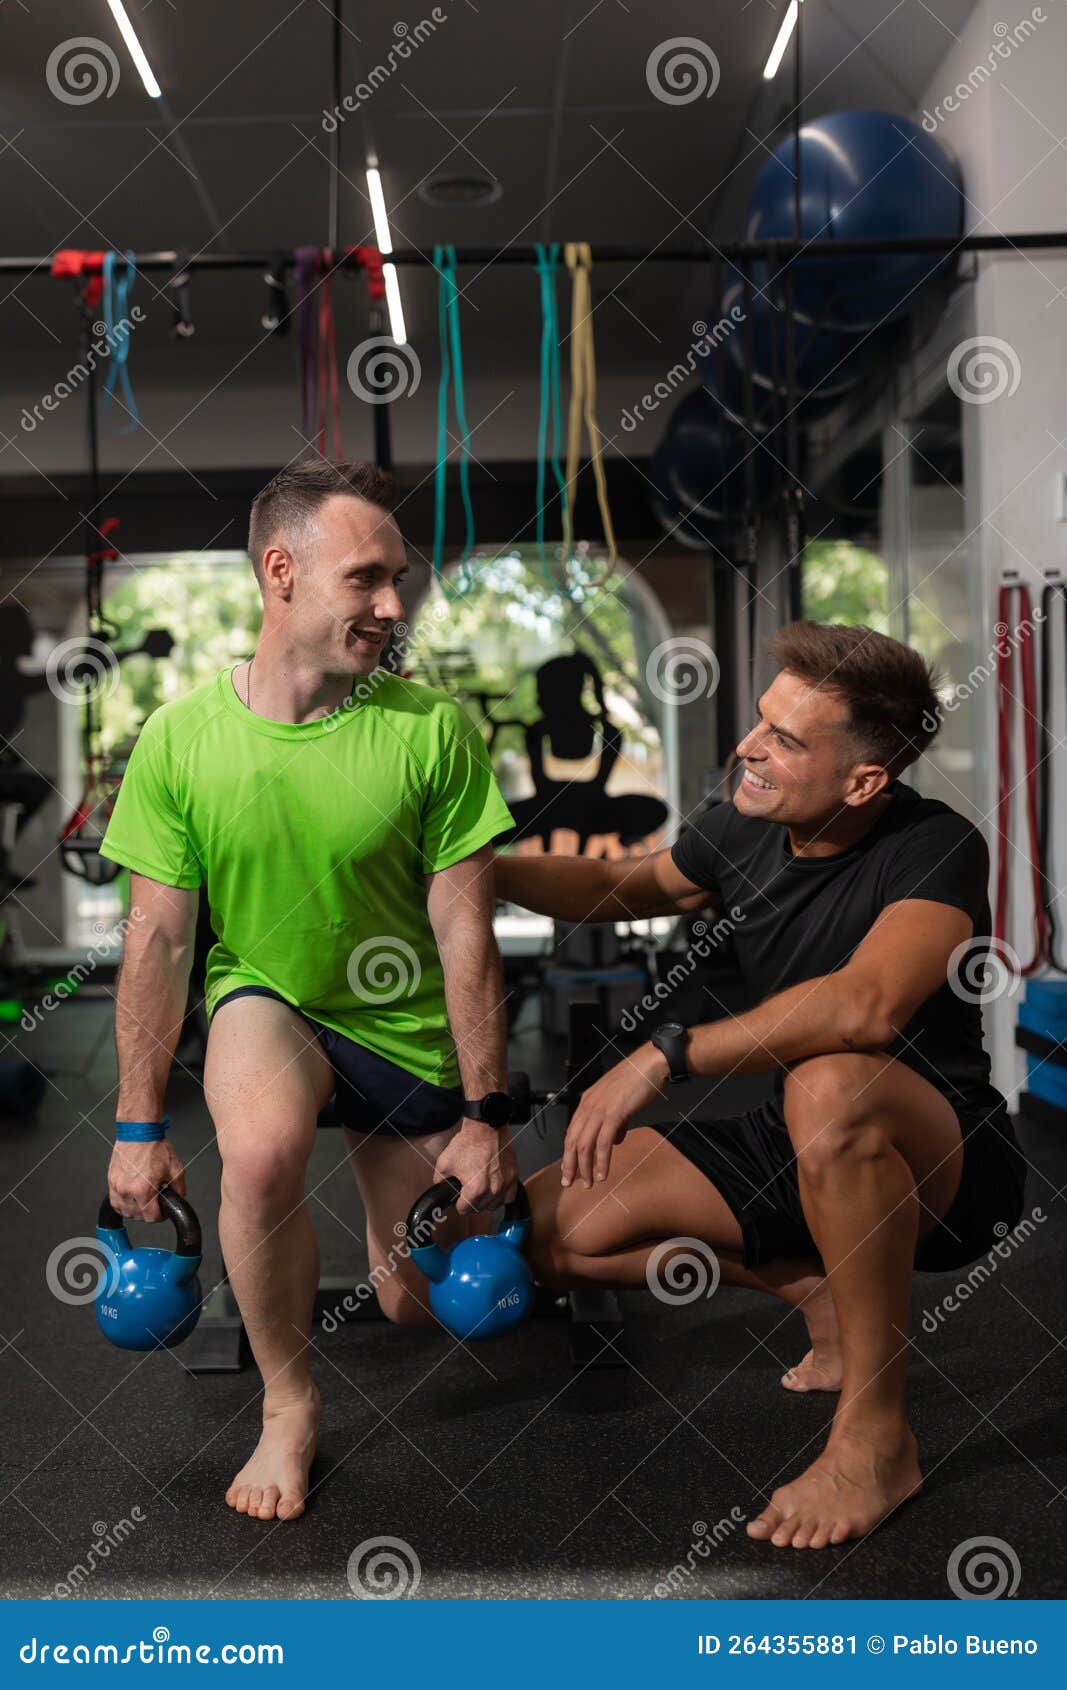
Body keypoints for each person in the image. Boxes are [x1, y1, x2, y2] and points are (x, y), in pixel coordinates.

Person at [495, 620, 1027, 1552]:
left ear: (864, 780)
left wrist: (663, 1054)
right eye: (760, 722)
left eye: (784, 739)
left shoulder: (936, 848)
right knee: (546, 1235)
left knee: (828, 1081)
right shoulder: (743, 825)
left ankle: (874, 1439)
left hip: (938, 1159)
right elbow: (622, 887)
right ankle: (814, 1290)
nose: (748, 746)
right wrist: (472, 871)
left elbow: (863, 1007)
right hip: (795, 1131)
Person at [99, 460, 518, 1524]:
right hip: (268, 1000)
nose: (392, 605)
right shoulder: (182, 739)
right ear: (280, 571)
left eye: (399, 580)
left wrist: (484, 1114)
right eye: (367, 578)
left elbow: (466, 927)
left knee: (414, 1301)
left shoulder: (428, 729)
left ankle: (550, 1216)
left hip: (403, 1021)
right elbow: (157, 936)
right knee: (261, 1153)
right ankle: (289, 1402)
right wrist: (136, 1124)